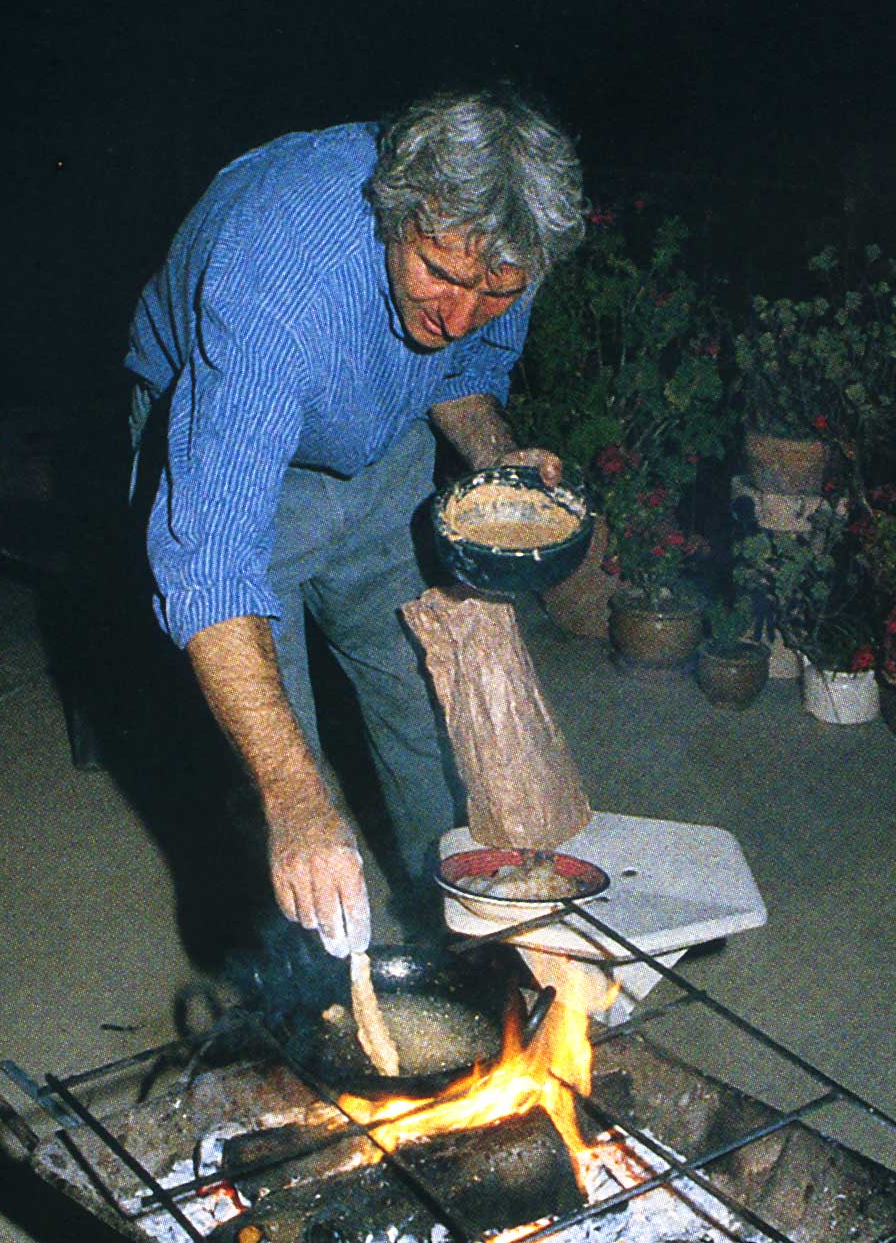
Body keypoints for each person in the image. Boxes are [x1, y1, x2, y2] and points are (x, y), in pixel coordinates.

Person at [126, 87, 584, 958]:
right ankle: (307, 1002)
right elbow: (208, 558)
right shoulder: (277, 278)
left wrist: (492, 454)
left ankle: (466, 953)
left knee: (431, 710)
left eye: (498, 292)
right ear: (396, 213)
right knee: (269, 764)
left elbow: (460, 365)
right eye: (441, 276)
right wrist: (297, 802)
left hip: (383, 444)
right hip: (235, 450)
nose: (457, 315)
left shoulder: (496, 244)